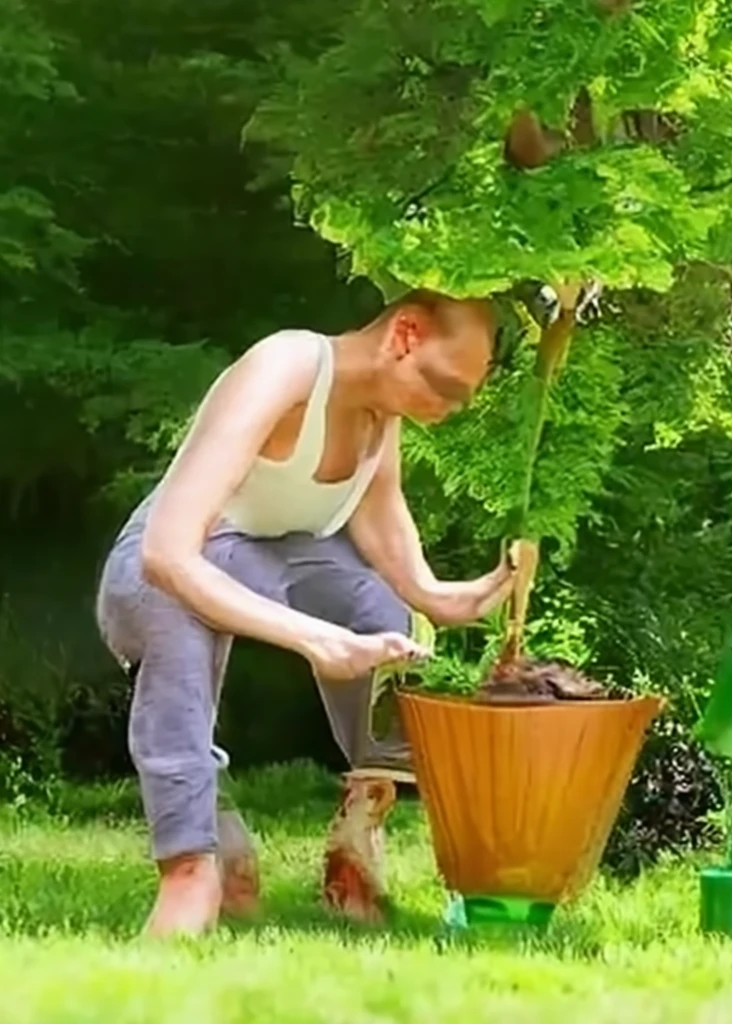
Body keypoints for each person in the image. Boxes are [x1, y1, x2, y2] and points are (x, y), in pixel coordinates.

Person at [95, 289, 514, 937]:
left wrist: (451, 596)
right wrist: (313, 639)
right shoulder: (286, 368)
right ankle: (190, 870)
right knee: (178, 624)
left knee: (382, 610)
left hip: (265, 563)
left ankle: (361, 824)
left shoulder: (381, 414)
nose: (447, 411)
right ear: (403, 335)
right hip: (158, 574)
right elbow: (167, 554)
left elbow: (392, 541)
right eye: (444, 387)